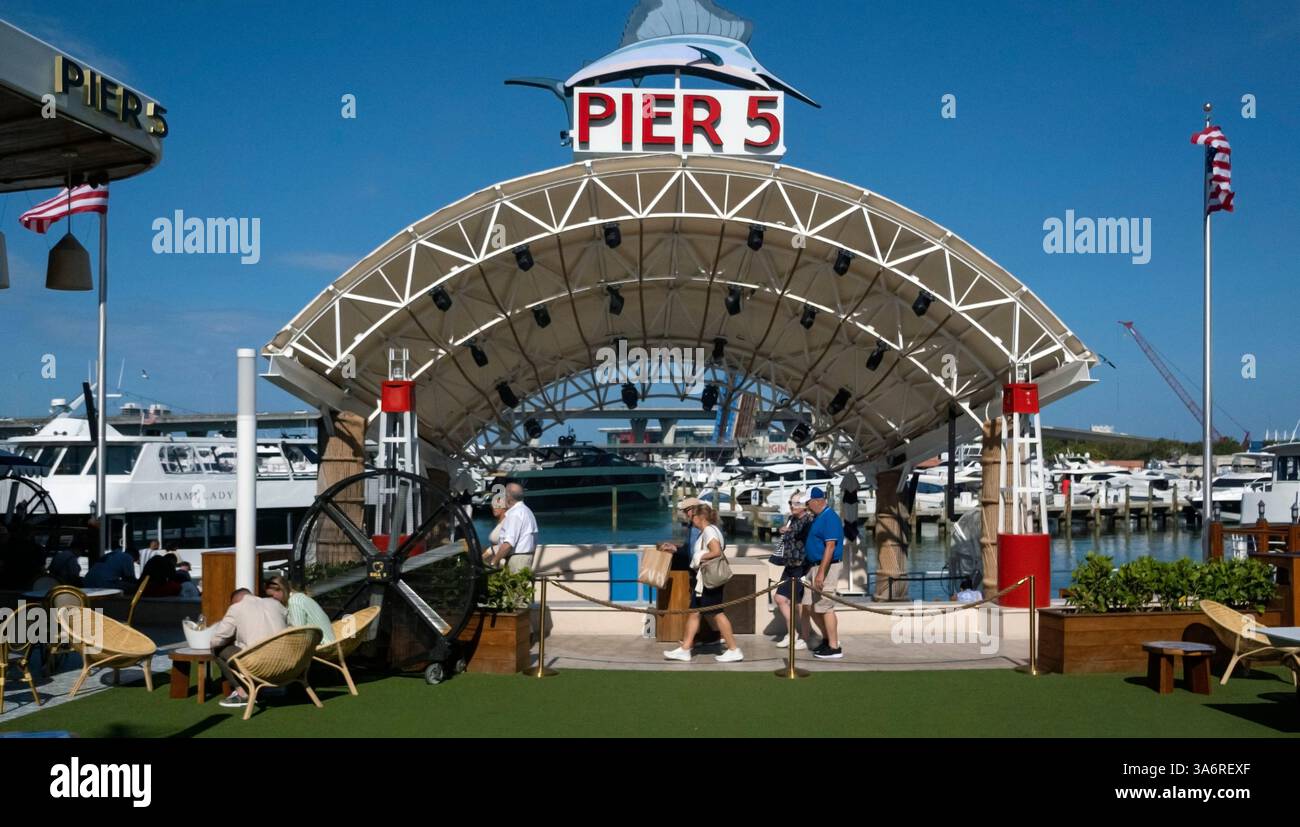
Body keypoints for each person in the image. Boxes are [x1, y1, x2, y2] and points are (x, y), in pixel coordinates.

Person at [663, 502, 743, 663]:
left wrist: (699, 556)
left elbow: (716, 552)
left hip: (709, 579)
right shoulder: (712, 530)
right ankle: (685, 649)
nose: (691, 520)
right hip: (705, 579)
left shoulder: (708, 531)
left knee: (717, 613)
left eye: (692, 517)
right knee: (695, 612)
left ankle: (734, 649)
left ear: (699, 517)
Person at [209, 588, 288, 708]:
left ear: (236, 600)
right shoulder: (276, 604)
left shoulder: (237, 608)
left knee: (216, 649)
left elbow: (217, 639)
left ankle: (243, 692)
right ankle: (277, 686)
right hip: (287, 664)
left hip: (259, 664)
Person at [804, 487, 844, 659]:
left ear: (817, 501)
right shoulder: (818, 517)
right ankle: (827, 639)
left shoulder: (830, 518)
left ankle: (834, 647)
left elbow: (830, 546)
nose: (807, 505)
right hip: (814, 566)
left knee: (826, 606)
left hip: (826, 567)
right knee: (810, 606)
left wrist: (821, 573)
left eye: (808, 502)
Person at [772, 492, 814, 649]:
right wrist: (781, 529)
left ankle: (803, 636)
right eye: (791, 503)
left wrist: (788, 531)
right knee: (780, 598)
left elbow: (805, 536)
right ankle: (792, 634)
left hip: (802, 565)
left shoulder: (809, 520)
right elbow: (789, 535)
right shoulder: (791, 519)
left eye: (796, 503)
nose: (792, 506)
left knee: (800, 604)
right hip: (789, 565)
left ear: (804, 505)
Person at [265, 575, 334, 645]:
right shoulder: (297, 598)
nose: (271, 599)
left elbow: (298, 635)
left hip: (323, 645)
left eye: (271, 595)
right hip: (324, 642)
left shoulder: (294, 602)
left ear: (281, 589)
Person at [485, 482, 538, 572]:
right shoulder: (526, 511)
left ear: (508, 497)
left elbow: (508, 544)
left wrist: (493, 562)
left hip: (517, 560)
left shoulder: (515, 514)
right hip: (525, 558)